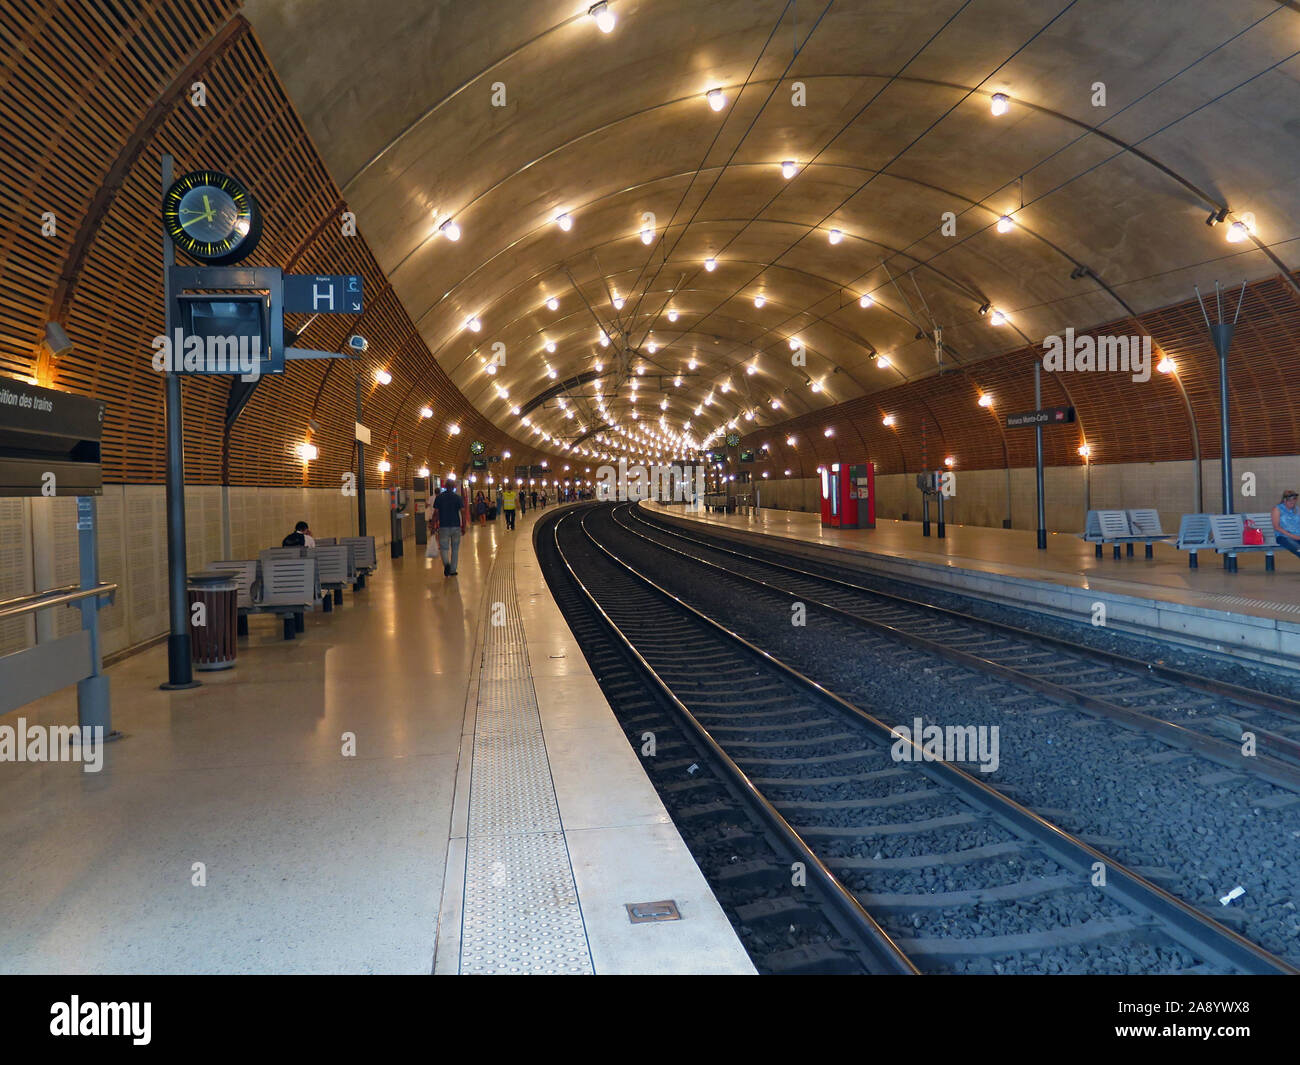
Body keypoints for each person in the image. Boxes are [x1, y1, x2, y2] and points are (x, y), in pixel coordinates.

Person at [431, 482, 466, 576]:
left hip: (443, 526)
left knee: (444, 548)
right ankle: (453, 570)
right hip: (456, 526)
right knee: (455, 549)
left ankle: (446, 564)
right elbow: (463, 512)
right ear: (454, 487)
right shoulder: (458, 497)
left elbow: (436, 513)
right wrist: (464, 526)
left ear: (445, 487)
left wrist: (432, 526)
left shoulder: (439, 497)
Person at [1272, 489, 1300, 559]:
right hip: (1283, 537)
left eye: (1294, 500)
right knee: (1299, 549)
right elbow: (1276, 527)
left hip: (1298, 536)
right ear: (1284, 500)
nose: (1292, 502)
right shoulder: (1277, 509)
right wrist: (1292, 536)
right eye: (1290, 501)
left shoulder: (1297, 509)